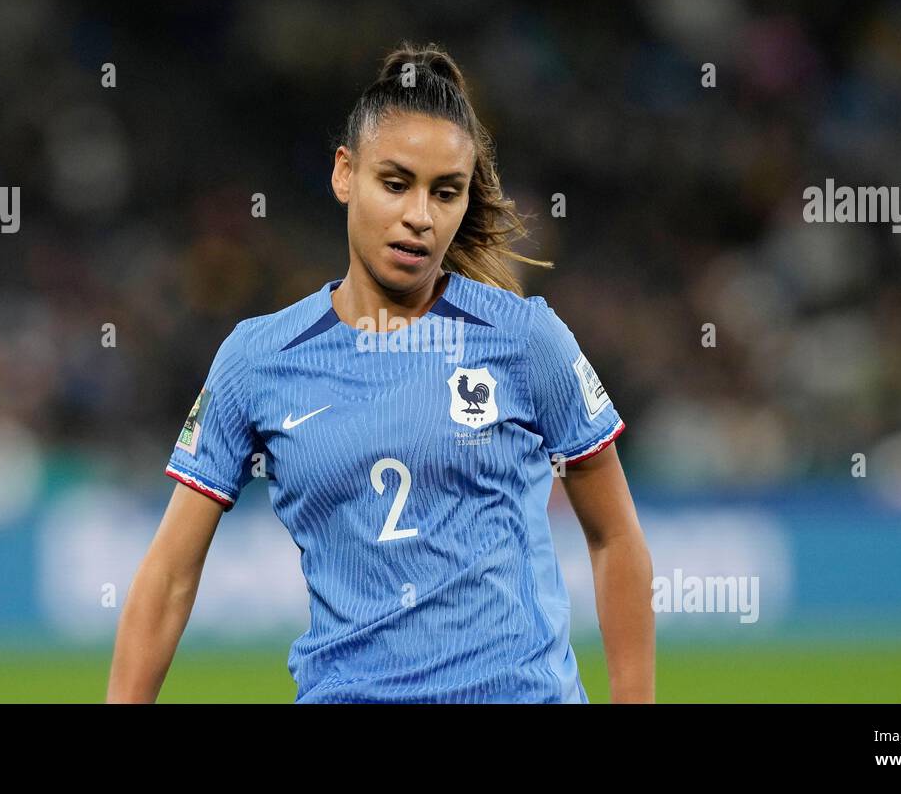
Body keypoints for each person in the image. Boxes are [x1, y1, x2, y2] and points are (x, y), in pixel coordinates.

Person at [107, 41, 654, 703]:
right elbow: (168, 574)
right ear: (345, 174)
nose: (420, 217)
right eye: (395, 183)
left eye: (445, 192)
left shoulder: (524, 337)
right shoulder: (258, 360)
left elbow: (615, 536)